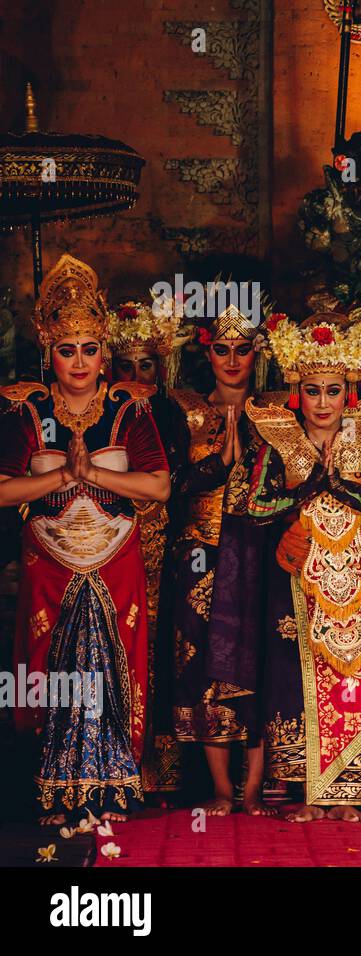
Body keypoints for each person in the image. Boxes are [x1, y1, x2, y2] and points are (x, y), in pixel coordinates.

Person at [0, 254, 171, 825]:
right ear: (48, 349)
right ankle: (58, 788)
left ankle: (112, 784)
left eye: (90, 349)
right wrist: (59, 478)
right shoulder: (27, 409)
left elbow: (159, 485)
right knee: (58, 664)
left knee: (110, 660)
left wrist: (94, 476)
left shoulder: (129, 408)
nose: (79, 361)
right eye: (66, 349)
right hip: (50, 559)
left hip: (113, 555)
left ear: (105, 351)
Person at [224, 310, 361, 822]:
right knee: (296, 678)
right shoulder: (277, 440)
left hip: (357, 573)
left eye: (332, 390)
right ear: (295, 392)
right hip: (299, 576)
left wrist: (344, 487)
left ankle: (348, 796)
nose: (322, 403)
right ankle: (310, 795)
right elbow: (252, 504)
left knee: (357, 676)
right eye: (312, 391)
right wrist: (299, 494)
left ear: (347, 392)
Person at [170, 303, 274, 816]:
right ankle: (221, 790)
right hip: (200, 550)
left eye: (243, 350)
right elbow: (171, 485)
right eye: (222, 349)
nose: (232, 360)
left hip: (256, 546)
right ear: (206, 351)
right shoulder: (184, 408)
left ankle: (254, 787)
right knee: (201, 661)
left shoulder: (276, 410)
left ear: (258, 354)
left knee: (255, 658)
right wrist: (220, 465)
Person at [106, 294, 187, 799]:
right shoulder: (107, 415)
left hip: (165, 548)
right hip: (111, 545)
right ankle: (117, 758)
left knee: (162, 648)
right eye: (125, 366)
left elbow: (173, 484)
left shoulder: (169, 414)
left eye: (146, 364)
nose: (136, 375)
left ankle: (166, 766)